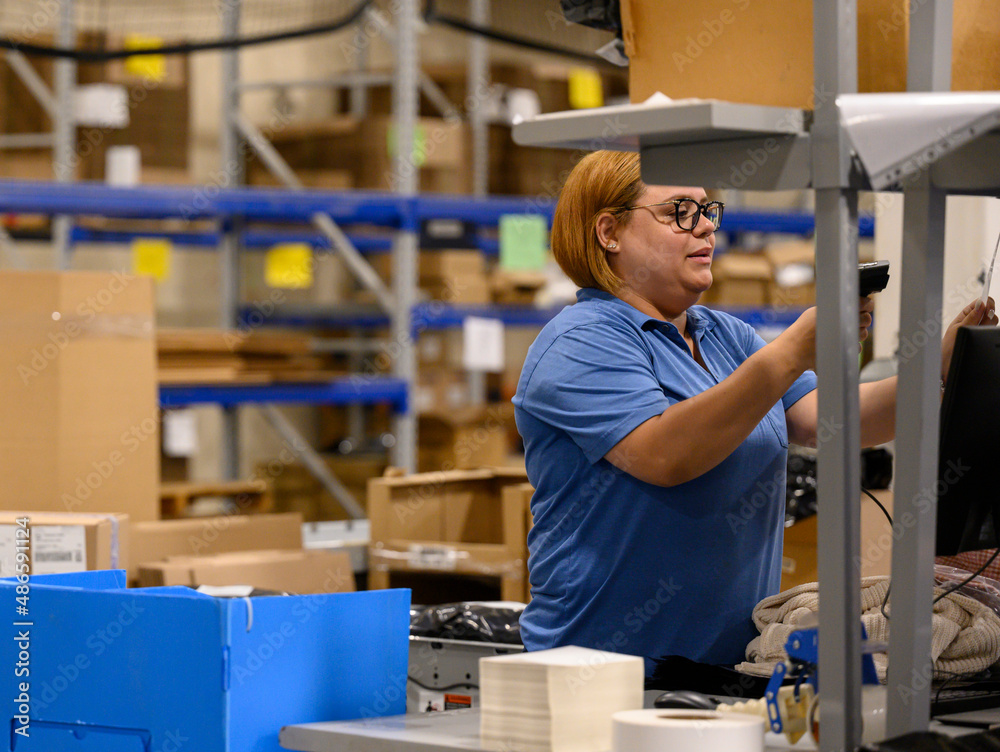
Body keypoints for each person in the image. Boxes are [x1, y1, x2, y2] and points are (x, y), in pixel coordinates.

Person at [512, 150, 997, 675]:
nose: (704, 228)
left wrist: (941, 369)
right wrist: (791, 351)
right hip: (599, 669)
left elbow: (830, 420)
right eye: (679, 212)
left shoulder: (722, 336)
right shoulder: (581, 341)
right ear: (609, 231)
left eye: (707, 211)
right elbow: (665, 453)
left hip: (725, 665)